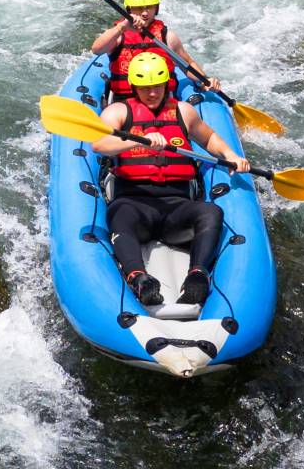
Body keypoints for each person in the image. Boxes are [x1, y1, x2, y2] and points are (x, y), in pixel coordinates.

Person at [91, 52, 249, 309]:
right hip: (134, 203)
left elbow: (209, 139)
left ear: (166, 84)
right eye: (144, 88)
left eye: (156, 87)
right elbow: (99, 144)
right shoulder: (118, 111)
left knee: (211, 211)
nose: (151, 93)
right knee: (118, 213)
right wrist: (138, 138)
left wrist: (231, 155)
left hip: (177, 207)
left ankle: (197, 277)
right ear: (134, 87)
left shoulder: (183, 112)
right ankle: (139, 279)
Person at [88, 0, 222, 100]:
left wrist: (205, 81)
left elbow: (187, 65)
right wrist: (121, 28)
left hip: (161, 101)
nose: (145, 13)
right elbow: (96, 49)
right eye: (139, 8)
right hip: (126, 100)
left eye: (149, 7)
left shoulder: (167, 36)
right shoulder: (119, 34)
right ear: (129, 9)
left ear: (156, 8)